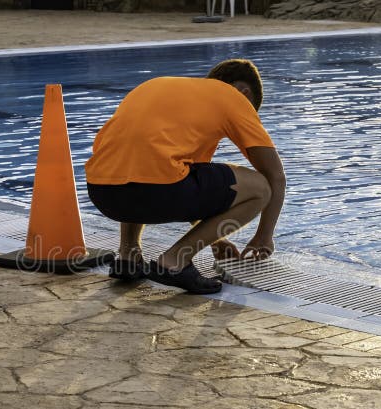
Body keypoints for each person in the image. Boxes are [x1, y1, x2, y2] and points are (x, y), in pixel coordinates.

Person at [85, 59, 286, 294]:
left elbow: (182, 183)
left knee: (141, 162)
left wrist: (217, 240)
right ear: (243, 91)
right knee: (259, 188)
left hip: (102, 193)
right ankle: (174, 261)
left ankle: (128, 255)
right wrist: (264, 237)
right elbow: (276, 177)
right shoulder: (233, 97)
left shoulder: (157, 86)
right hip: (155, 191)